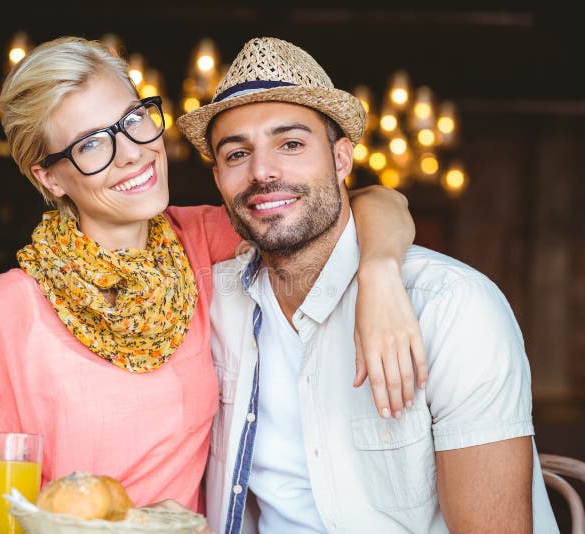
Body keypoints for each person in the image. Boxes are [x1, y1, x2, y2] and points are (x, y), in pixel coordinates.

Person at [0, 37, 424, 533]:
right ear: (50, 178)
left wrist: (380, 273)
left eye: (133, 120)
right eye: (90, 144)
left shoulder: (200, 243)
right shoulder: (5, 311)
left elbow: (366, 202)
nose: (131, 153)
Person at [176, 36, 558, 534]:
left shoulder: (451, 309)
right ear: (219, 179)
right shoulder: (209, 299)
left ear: (340, 160)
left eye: (291, 144)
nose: (262, 170)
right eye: (236, 154)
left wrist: (377, 272)